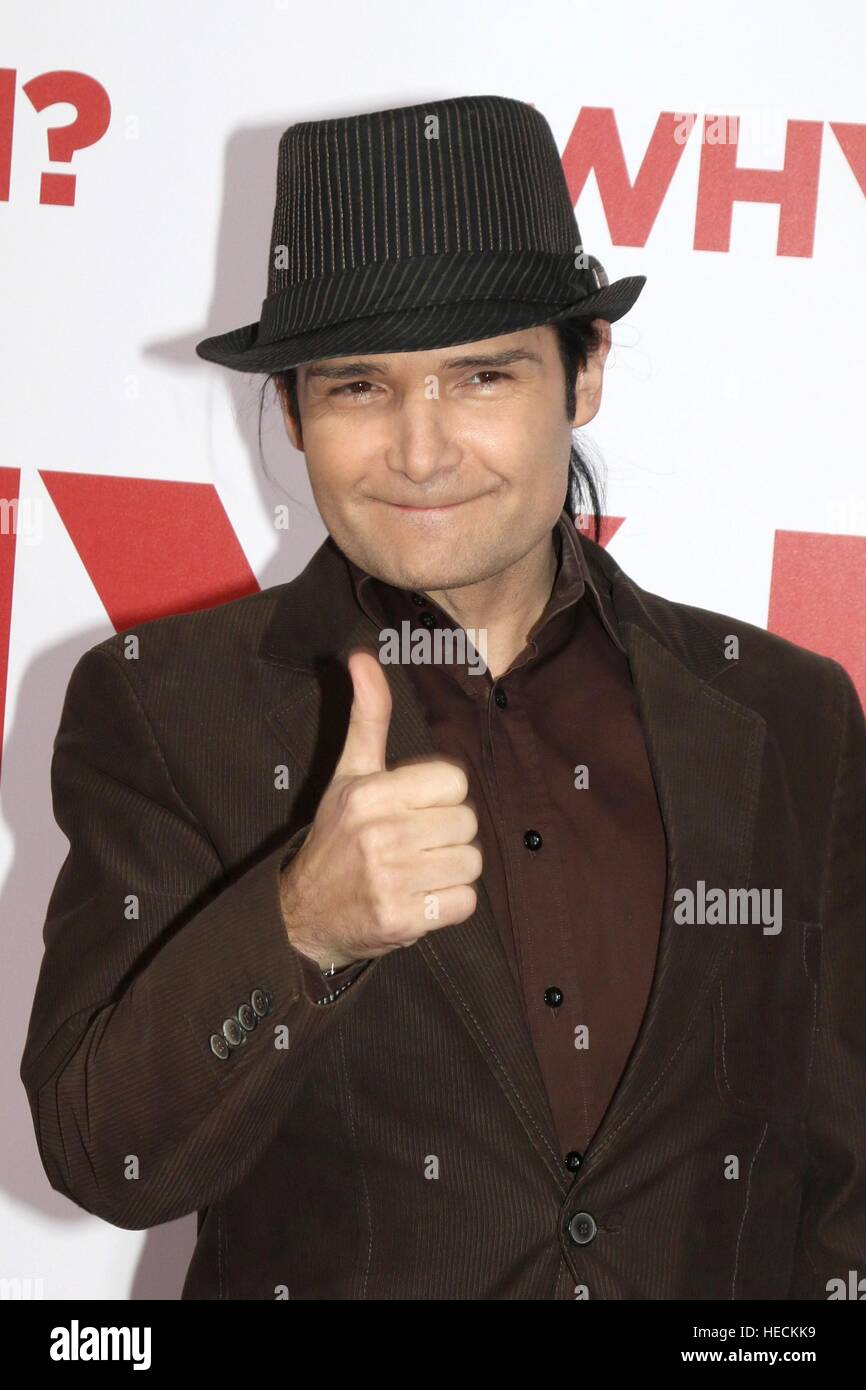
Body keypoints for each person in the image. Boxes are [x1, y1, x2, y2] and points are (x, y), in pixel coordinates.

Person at [20, 94, 866, 1300]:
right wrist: (299, 927)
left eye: (479, 376)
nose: (419, 452)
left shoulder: (784, 715)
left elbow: (846, 1173)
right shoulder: (169, 709)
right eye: (359, 387)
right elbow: (102, 1155)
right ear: (290, 411)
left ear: (583, 376)